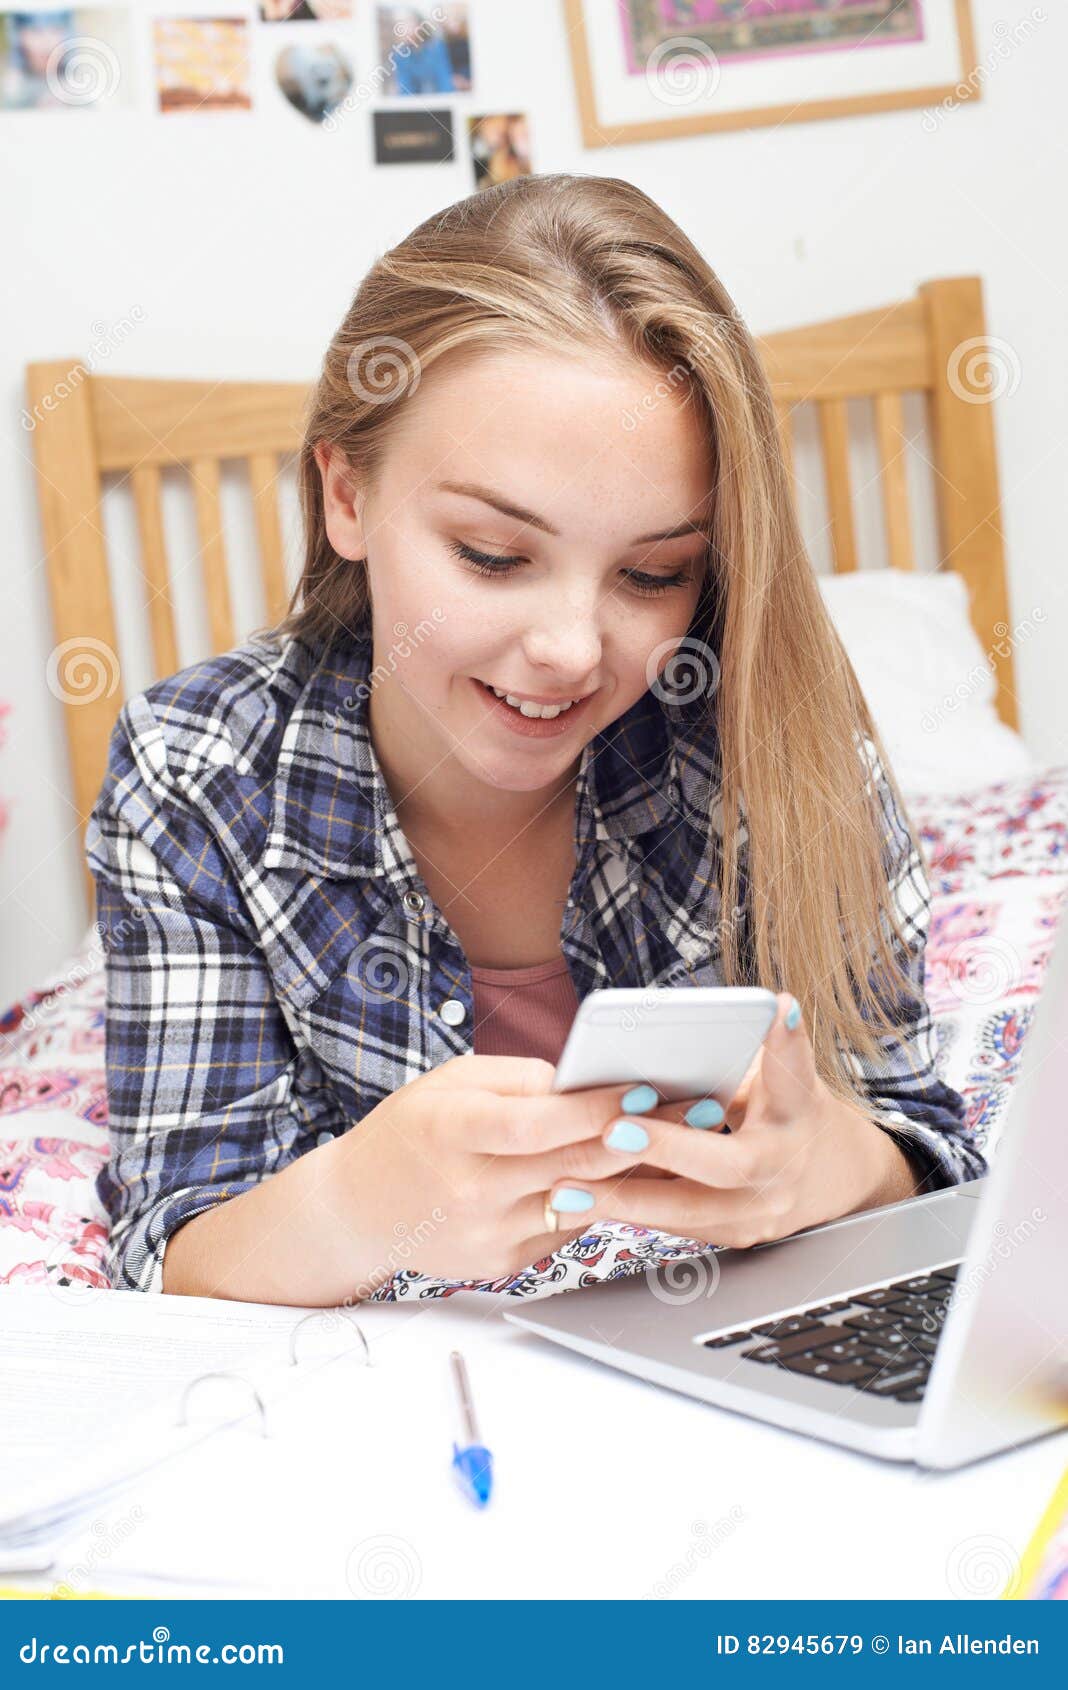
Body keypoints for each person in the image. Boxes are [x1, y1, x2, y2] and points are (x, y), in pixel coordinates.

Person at [85, 174, 983, 1304]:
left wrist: (829, 1166)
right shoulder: (196, 775)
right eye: (495, 555)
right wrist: (355, 1201)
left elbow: (923, 1143)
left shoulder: (776, 746)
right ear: (346, 493)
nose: (569, 648)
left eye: (653, 573)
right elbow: (178, 1244)